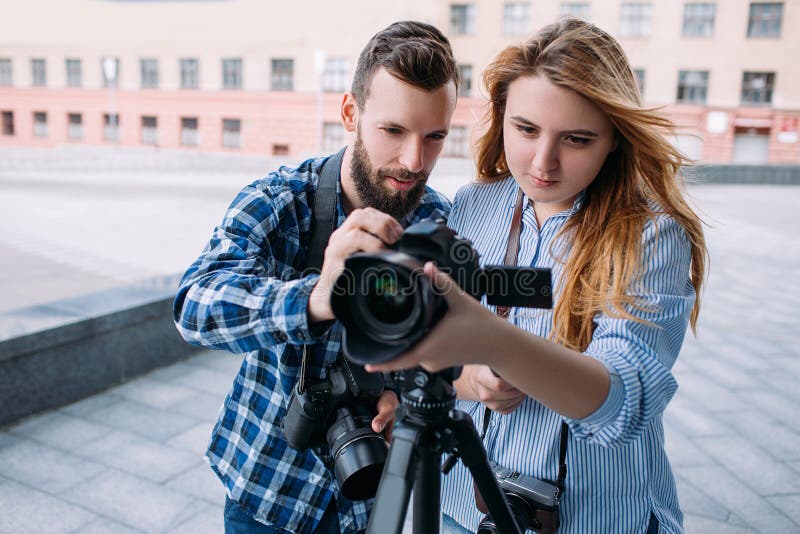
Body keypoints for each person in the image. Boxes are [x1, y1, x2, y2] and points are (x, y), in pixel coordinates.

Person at [366, 18, 707, 534]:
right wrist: (470, 380)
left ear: (615, 138)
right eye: (525, 130)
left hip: (595, 518)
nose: (543, 162)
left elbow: (625, 402)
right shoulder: (473, 206)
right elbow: (439, 353)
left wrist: (494, 342)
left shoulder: (650, 235)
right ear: (501, 117)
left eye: (576, 139)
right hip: (462, 505)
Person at [173, 21, 459, 534]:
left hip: (380, 495)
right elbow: (193, 305)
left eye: (434, 136)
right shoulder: (282, 199)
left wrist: (409, 394)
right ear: (350, 113)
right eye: (393, 130)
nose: (415, 161)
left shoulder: (438, 224)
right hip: (268, 490)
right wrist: (317, 298)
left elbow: (454, 346)